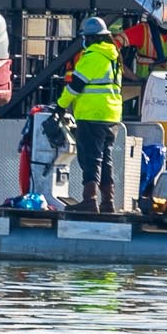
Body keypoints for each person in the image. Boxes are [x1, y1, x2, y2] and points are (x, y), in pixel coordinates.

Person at [60, 14, 123, 213]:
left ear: (90, 38)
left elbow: (75, 86)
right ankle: (107, 202)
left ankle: (89, 200)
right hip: (111, 115)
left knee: (90, 158)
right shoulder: (114, 57)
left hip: (92, 114)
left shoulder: (93, 56)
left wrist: (60, 105)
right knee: (105, 159)